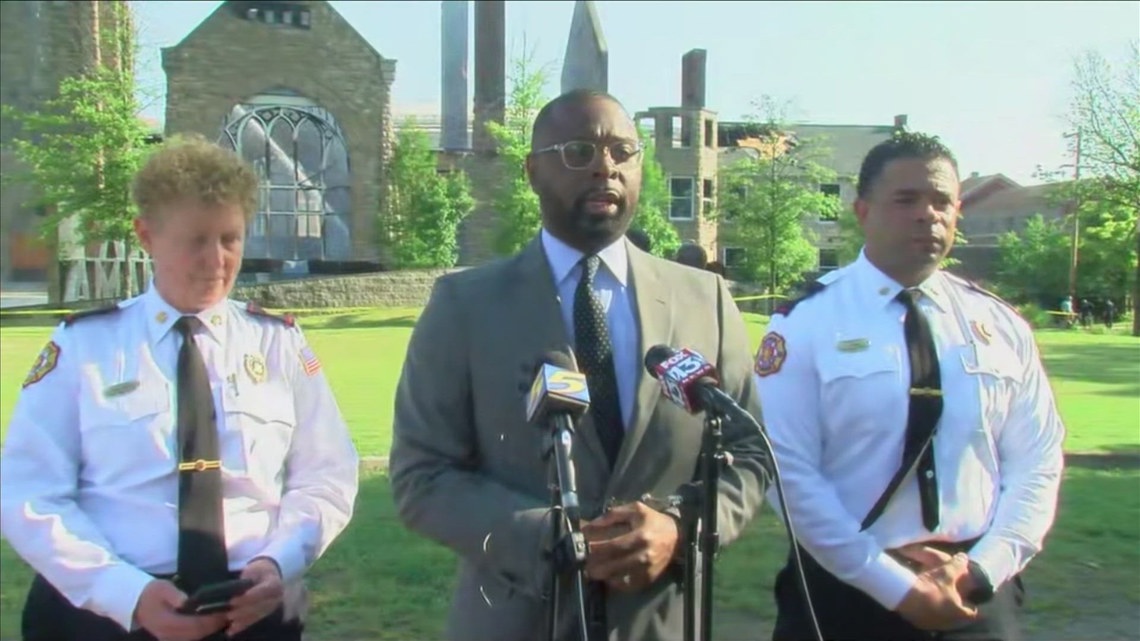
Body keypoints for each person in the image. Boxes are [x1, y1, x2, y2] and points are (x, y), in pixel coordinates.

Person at [389, 89, 771, 641]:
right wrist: (558, 542)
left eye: (623, 151)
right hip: (518, 619)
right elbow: (422, 476)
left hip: (661, 621)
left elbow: (749, 454)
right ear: (531, 171)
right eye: (578, 152)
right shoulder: (464, 307)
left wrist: (681, 528)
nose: (605, 167)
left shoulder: (704, 299)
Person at [0, 135, 359, 641]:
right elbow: (29, 494)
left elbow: (326, 477)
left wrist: (278, 562)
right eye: (196, 240)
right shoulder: (84, 347)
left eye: (230, 238)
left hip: (251, 610)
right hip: (109, 614)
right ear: (145, 235)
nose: (217, 259)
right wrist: (126, 593)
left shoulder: (277, 343)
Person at [752, 132, 1065, 641]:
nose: (927, 214)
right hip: (849, 591)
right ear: (862, 211)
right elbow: (787, 475)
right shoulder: (803, 325)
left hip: (977, 592)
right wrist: (895, 586)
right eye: (906, 200)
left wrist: (983, 568)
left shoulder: (1000, 325)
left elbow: (1038, 460)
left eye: (942, 201)